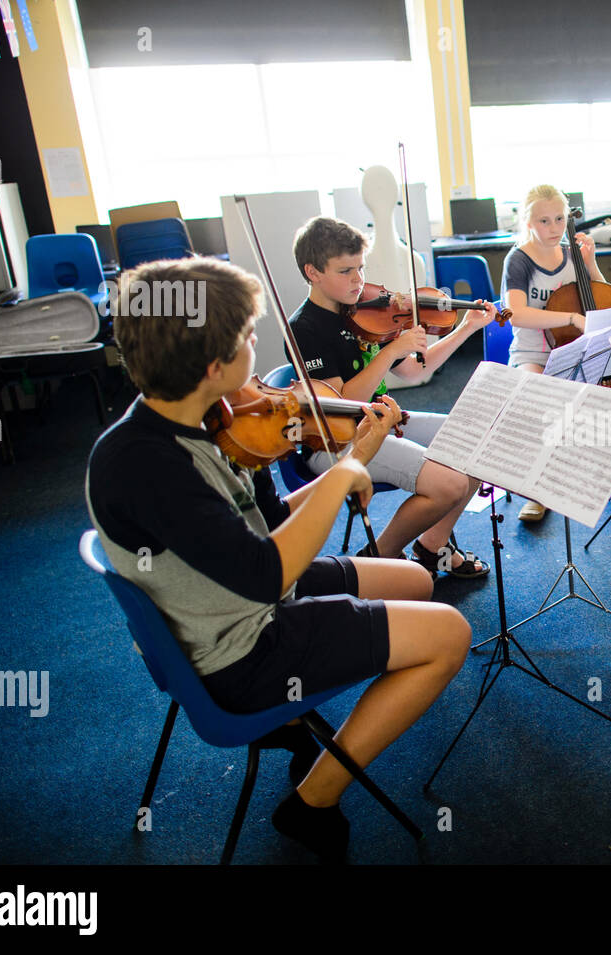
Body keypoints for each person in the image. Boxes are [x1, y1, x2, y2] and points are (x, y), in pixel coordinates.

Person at [86, 257, 470, 862]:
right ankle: (312, 802)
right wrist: (343, 473)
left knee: (416, 580)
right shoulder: (145, 464)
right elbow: (267, 570)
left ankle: (294, 719)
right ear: (213, 366)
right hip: (238, 648)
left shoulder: (208, 421)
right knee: (450, 634)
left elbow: (266, 525)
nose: (260, 356)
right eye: (247, 338)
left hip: (237, 595)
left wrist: (360, 451)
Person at [289, 216, 495, 578]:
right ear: (313, 272)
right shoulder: (305, 328)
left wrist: (467, 328)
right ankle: (377, 559)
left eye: (361, 268)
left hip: (385, 420)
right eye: (345, 271)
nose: (358, 280)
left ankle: (434, 545)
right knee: (450, 483)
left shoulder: (364, 311)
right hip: (338, 440)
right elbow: (343, 403)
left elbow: (418, 369)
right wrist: (388, 352)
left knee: (477, 442)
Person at [501, 184, 611, 521]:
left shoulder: (571, 252)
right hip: (534, 353)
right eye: (544, 221)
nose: (555, 228)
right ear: (529, 222)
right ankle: (538, 490)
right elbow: (515, 313)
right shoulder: (518, 260)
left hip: (579, 350)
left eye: (560, 219)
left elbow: (603, 298)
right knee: (541, 401)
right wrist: (571, 318)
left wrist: (590, 263)